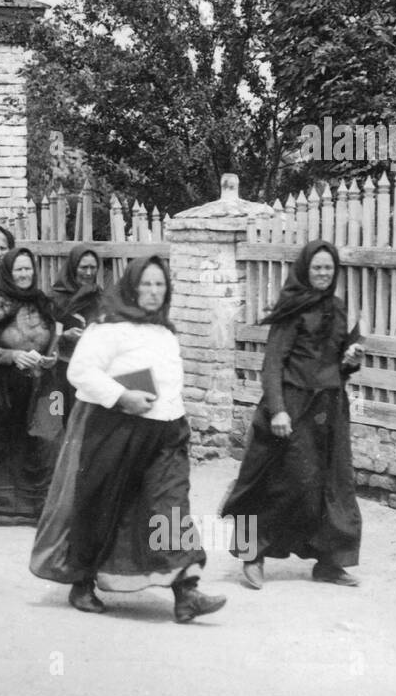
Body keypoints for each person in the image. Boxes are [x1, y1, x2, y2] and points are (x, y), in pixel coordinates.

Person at [29, 256, 226, 623]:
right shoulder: (108, 328)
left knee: (172, 508)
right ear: (132, 287)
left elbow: (169, 384)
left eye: (159, 285)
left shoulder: (166, 332)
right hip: (115, 430)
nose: (153, 292)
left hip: (165, 434)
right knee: (103, 507)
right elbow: (80, 372)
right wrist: (123, 397)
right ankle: (82, 582)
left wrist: (178, 422)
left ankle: (186, 591)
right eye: (145, 285)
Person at [219, 239, 364, 589]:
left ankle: (330, 562)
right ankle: (252, 555)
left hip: (329, 409)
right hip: (292, 406)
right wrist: (278, 411)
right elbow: (272, 365)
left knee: (333, 483)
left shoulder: (340, 309)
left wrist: (351, 361)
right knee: (281, 482)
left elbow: (341, 361)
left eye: (328, 268)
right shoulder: (291, 310)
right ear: (304, 269)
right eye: (317, 268)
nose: (323, 274)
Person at [0, 247, 61, 526]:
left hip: (38, 384)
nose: (24, 274)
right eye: (18, 269)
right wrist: (12, 356)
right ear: (9, 271)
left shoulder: (42, 301)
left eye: (28, 269)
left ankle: (37, 506)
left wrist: (51, 357)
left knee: (45, 440)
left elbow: (53, 335)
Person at [49, 244, 105, 428]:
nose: (89, 272)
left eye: (93, 267)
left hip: (92, 370)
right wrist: (64, 335)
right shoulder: (56, 298)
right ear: (73, 268)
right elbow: (44, 335)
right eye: (83, 267)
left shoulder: (100, 297)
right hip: (61, 372)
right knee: (59, 420)